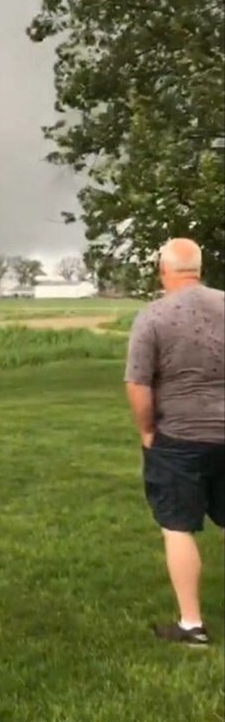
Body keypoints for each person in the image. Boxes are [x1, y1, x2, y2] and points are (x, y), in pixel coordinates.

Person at [125, 238, 224, 647]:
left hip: (179, 439)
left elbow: (138, 383)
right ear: (198, 269)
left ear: (164, 270)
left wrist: (147, 431)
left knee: (178, 528)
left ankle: (191, 625)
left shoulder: (153, 316)